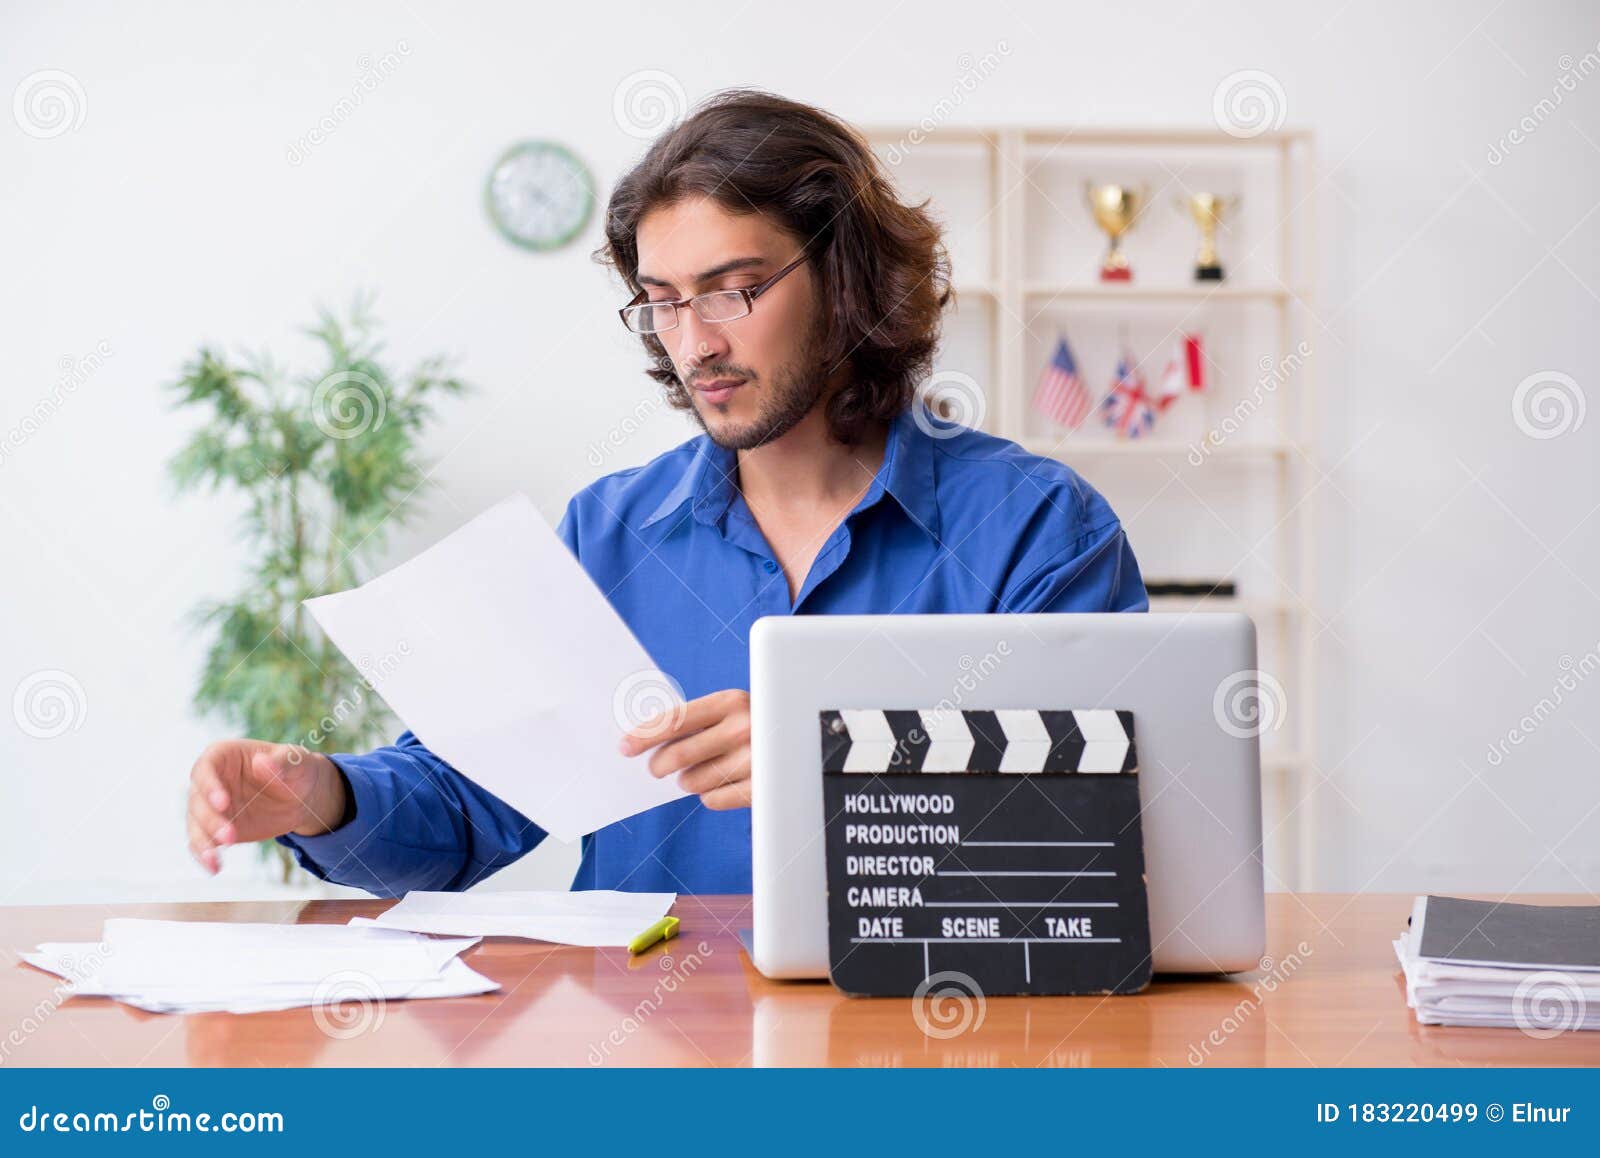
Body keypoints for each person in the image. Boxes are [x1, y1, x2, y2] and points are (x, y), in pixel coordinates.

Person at [183, 89, 1148, 897]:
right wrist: (322, 797)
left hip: (929, 1028)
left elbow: (1095, 830)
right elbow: (471, 798)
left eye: (732, 290)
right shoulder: (608, 532)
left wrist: (848, 761)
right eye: (663, 301)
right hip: (646, 1038)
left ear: (846, 279)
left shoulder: (1036, 528)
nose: (695, 342)